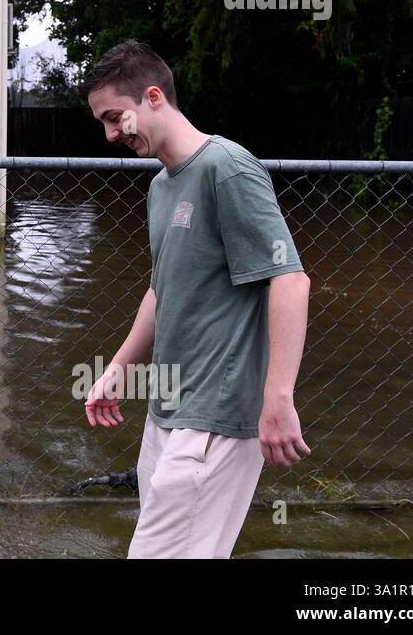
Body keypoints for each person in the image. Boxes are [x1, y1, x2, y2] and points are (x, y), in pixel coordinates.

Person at [80, 39, 312, 558]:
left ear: (155, 97)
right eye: (103, 122)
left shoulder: (226, 167)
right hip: (167, 410)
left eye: (115, 117)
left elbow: (290, 280)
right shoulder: (163, 186)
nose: (111, 133)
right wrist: (118, 367)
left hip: (217, 415)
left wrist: (277, 398)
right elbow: (163, 288)